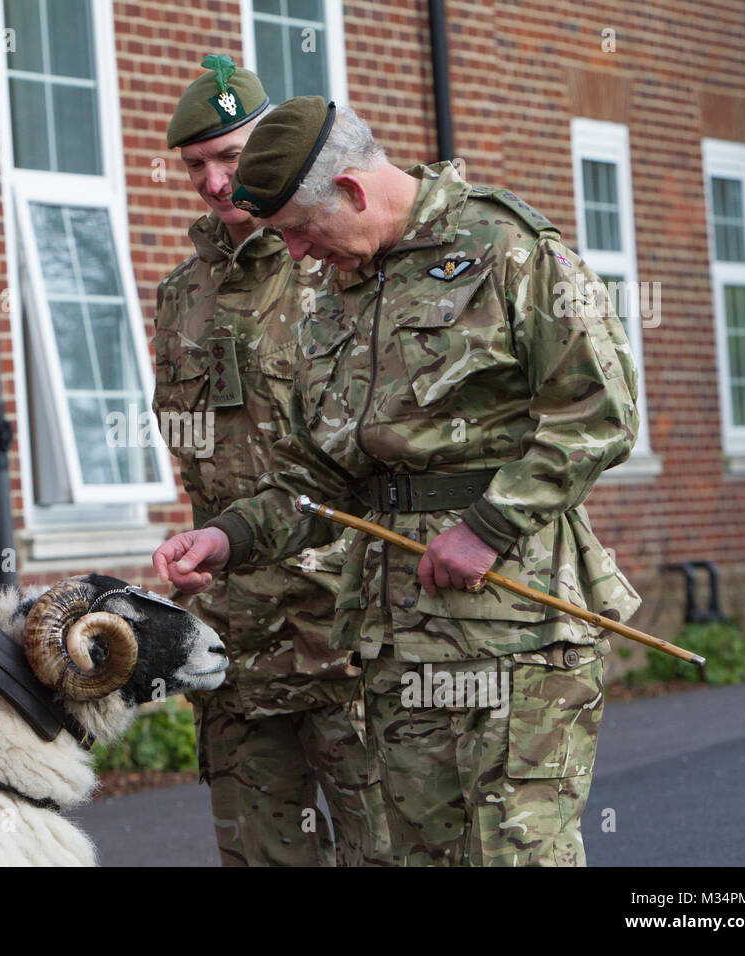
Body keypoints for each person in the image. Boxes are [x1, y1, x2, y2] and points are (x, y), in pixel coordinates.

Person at [154, 97, 642, 866]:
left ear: (351, 192)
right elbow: (322, 478)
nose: (302, 255)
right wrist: (228, 535)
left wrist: (487, 528)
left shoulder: (507, 249)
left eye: (305, 232)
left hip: (511, 624)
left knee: (510, 856)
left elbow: (600, 411)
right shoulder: (342, 293)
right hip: (389, 640)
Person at [154, 57, 390, 867]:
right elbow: (196, 457)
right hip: (238, 642)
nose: (217, 182)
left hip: (349, 628)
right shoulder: (180, 297)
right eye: (197, 165)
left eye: (231, 155)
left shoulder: (340, 266)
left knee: (389, 851)